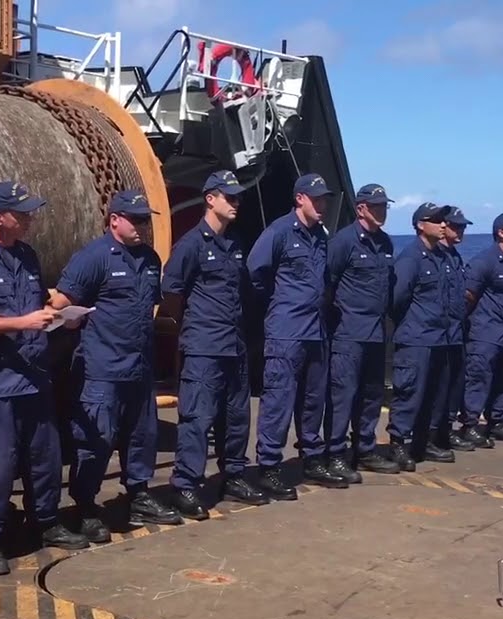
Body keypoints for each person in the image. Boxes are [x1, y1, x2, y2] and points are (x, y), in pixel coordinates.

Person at [0, 181, 90, 576]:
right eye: (22, 213)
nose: (29, 219)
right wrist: (23, 322)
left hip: (33, 377)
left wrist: (61, 319)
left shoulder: (27, 256)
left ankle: (45, 523)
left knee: (45, 458)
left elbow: (35, 306)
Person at [51, 189, 181, 536]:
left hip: (138, 367)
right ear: (114, 221)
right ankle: (85, 504)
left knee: (142, 435)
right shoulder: (93, 258)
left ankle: (138, 493)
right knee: (95, 440)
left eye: (144, 220)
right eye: (135, 220)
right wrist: (69, 318)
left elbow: (151, 307)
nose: (142, 226)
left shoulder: (151, 261)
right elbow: (61, 302)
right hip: (102, 368)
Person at [160, 171, 268, 519]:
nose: (236, 203)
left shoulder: (234, 244)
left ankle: (233, 475)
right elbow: (172, 293)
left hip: (233, 347)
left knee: (237, 417)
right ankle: (186, 485)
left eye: (238, 198)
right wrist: (188, 334)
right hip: (204, 347)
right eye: (229, 197)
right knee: (197, 418)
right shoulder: (191, 245)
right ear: (211, 199)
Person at [246, 173, 343, 496]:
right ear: (300, 198)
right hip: (287, 331)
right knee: (279, 399)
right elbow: (256, 272)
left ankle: (312, 458)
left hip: (316, 331)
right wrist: (281, 303)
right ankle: (269, 466)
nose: (323, 205)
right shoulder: (280, 232)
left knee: (313, 400)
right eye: (317, 199)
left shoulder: (321, 236)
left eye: (325, 199)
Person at [323, 183, 400, 476]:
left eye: (385, 206)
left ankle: (365, 449)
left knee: (371, 394)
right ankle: (335, 453)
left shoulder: (386, 243)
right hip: (348, 333)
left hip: (376, 333)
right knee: (343, 396)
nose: (382, 211)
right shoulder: (344, 242)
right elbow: (327, 283)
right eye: (377, 206)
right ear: (361, 209)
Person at [386, 203, 456, 471]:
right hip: (415, 338)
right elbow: (397, 299)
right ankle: (399, 443)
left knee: (433, 395)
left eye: (443, 220)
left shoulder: (441, 258)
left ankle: (423, 441)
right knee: (409, 393)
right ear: (419, 225)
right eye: (435, 220)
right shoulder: (410, 259)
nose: (442, 224)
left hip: (439, 337)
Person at [461, 212, 503, 447]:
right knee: (479, 379)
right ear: (501, 232)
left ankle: (496, 422)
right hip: (484, 333)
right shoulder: (484, 261)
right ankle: (469, 425)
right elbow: (468, 296)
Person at [435, 207, 477, 452]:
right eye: (456, 226)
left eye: (463, 227)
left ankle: (446, 430)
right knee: (437, 388)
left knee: (453, 385)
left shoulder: (454, 257)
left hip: (456, 331)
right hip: (437, 332)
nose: (461, 231)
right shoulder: (434, 256)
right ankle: (434, 435)